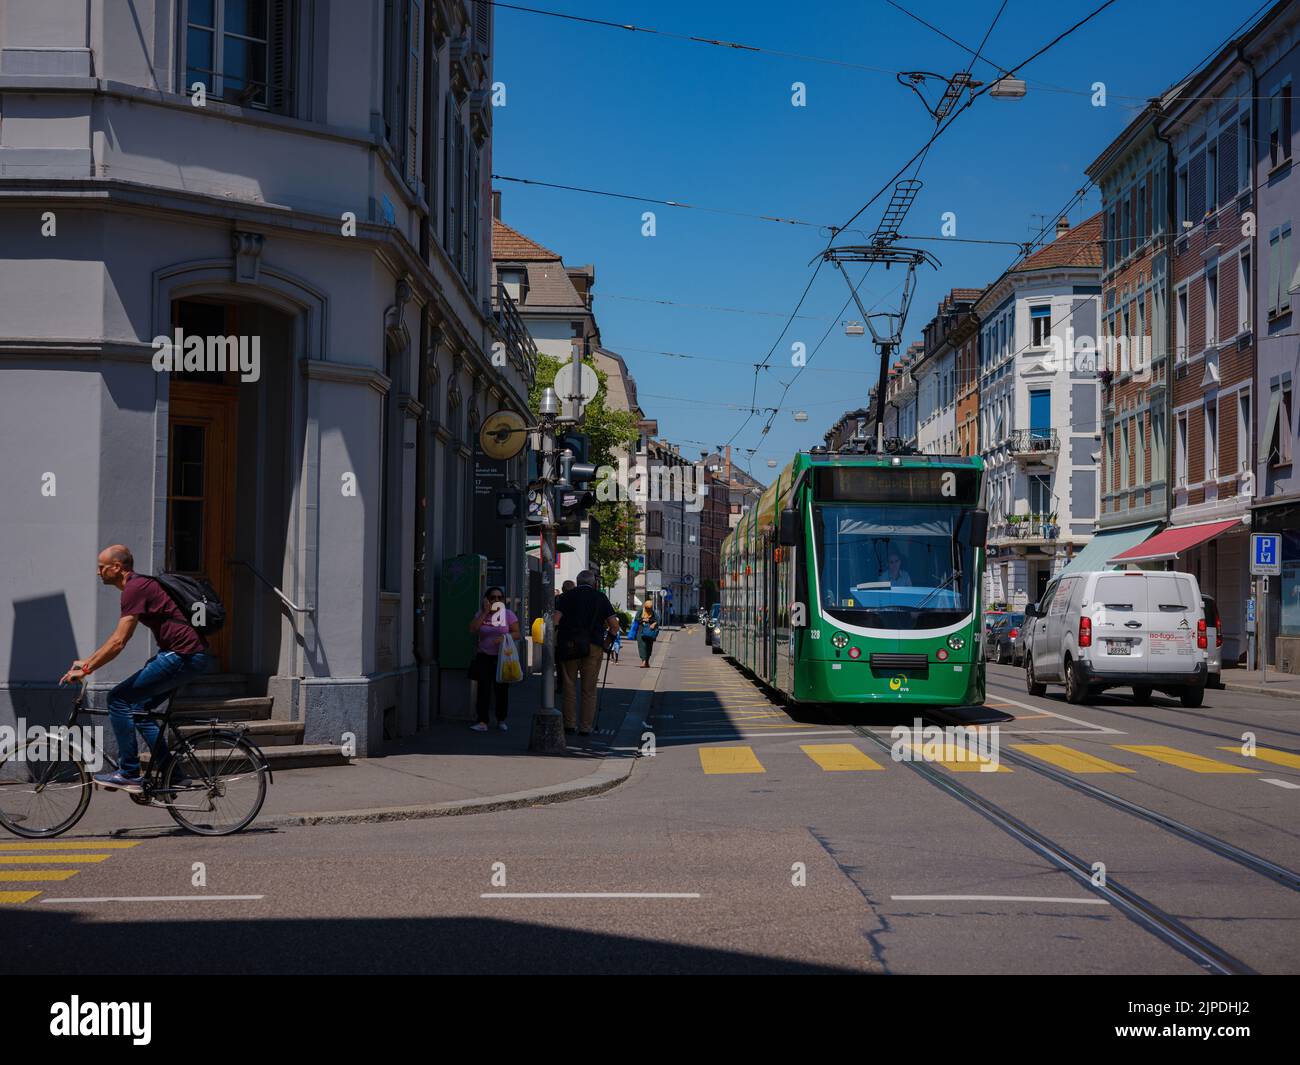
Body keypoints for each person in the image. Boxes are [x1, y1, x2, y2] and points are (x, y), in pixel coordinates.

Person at [59, 545, 215, 793]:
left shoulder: (134, 588)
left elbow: (119, 641)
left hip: (182, 655)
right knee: (141, 710)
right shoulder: (138, 585)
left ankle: (129, 772)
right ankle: (174, 774)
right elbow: (115, 640)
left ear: (117, 567)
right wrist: (86, 661)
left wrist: (87, 668)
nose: (98, 573)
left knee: (118, 699)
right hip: (185, 655)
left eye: (102, 567)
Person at [553, 570, 619, 736]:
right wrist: (607, 643)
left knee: (569, 686)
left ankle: (569, 725)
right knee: (589, 690)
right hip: (593, 646)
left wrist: (555, 640)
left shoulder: (566, 597)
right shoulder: (600, 597)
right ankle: (585, 727)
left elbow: (555, 620)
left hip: (569, 645)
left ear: (577, 581)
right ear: (593, 583)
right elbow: (614, 625)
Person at [468, 587, 520, 732]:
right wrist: (485, 612)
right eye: (493, 597)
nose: (496, 600)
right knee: (483, 689)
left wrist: (504, 637)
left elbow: (517, 633)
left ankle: (501, 719)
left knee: (501, 690)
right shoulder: (481, 614)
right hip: (484, 656)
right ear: (487, 600)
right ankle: (482, 721)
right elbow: (472, 629)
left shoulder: (508, 615)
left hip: (502, 657)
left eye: (499, 598)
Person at [630, 600, 661, 668]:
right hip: (640, 631)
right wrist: (643, 619)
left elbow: (658, 620)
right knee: (642, 647)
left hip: (650, 632)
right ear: (645, 606)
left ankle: (647, 661)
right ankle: (643, 661)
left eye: (649, 608)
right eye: (647, 608)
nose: (648, 609)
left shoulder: (653, 612)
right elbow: (636, 619)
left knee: (649, 647)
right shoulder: (641, 611)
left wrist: (653, 623)